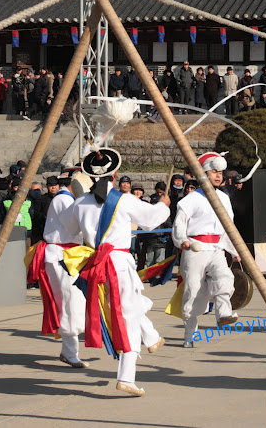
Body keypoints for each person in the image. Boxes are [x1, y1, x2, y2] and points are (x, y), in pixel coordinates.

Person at [62, 147, 169, 396]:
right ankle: (127, 376)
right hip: (118, 263)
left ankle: (151, 336)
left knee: (124, 307)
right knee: (127, 314)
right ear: (115, 173)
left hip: (95, 264)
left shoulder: (80, 202)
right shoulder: (123, 199)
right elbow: (152, 220)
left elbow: (70, 230)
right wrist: (164, 205)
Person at [171, 152, 240, 348]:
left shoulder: (224, 199)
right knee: (193, 290)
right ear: (204, 173)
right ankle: (189, 334)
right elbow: (179, 224)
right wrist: (182, 240)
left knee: (224, 277)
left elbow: (228, 227)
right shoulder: (191, 199)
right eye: (213, 171)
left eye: (220, 172)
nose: (218, 175)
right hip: (195, 249)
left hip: (217, 248)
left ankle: (224, 314)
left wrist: (234, 250)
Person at [25, 174, 88, 368]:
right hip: (61, 255)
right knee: (70, 302)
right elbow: (75, 226)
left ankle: (69, 351)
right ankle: (70, 352)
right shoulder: (63, 199)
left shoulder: (68, 200)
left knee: (74, 302)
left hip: (70, 255)